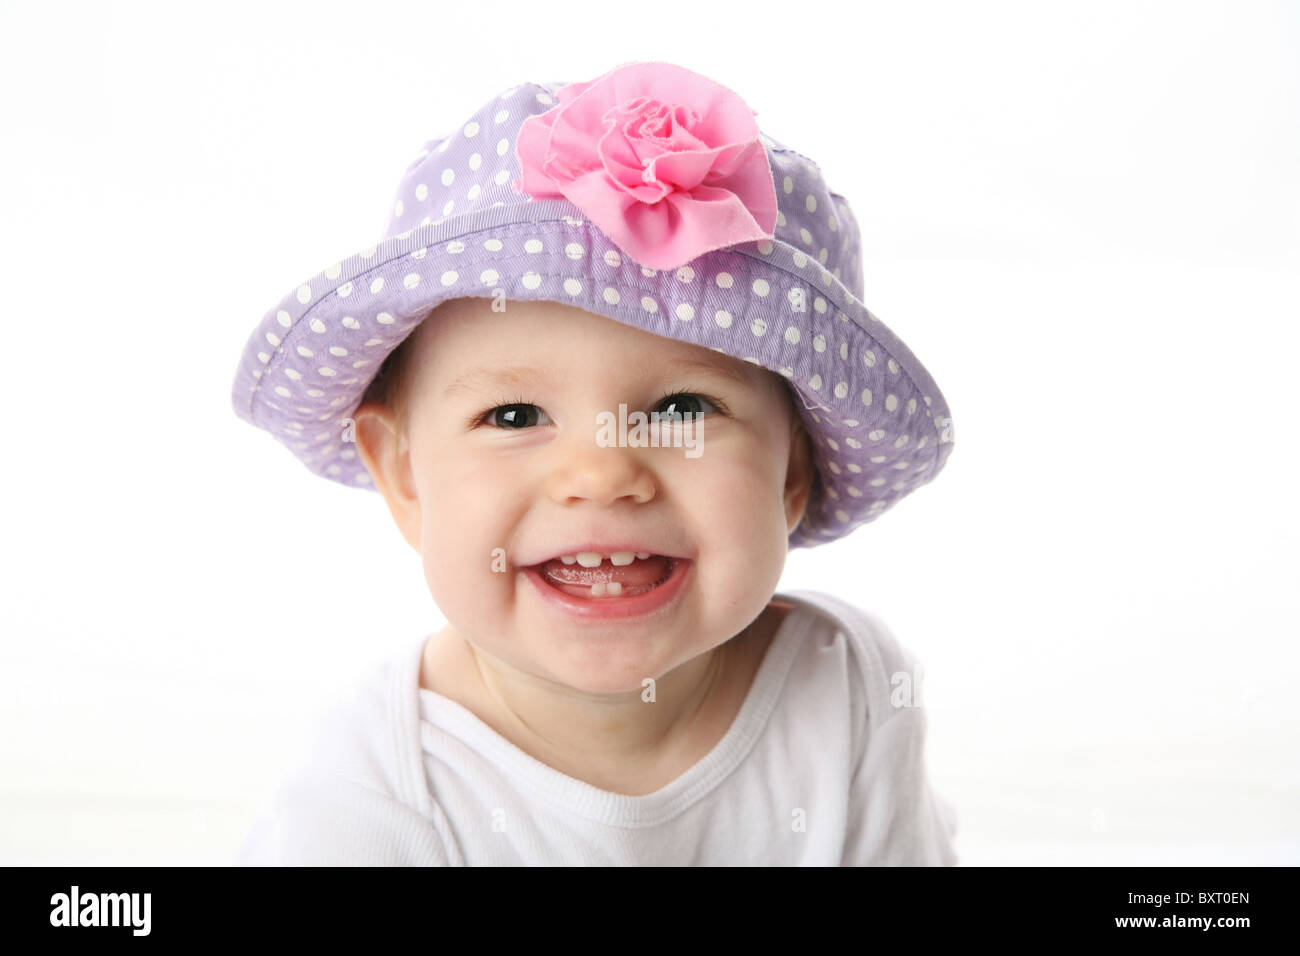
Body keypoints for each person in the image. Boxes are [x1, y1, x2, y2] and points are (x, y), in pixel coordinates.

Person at [230, 60, 960, 865]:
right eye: (513, 415)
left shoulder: (849, 689)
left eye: (683, 410)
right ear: (404, 475)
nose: (602, 473)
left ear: (794, 471)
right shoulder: (372, 799)